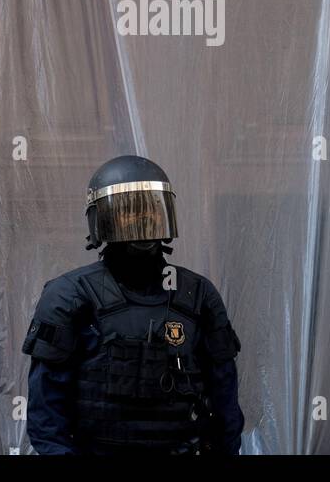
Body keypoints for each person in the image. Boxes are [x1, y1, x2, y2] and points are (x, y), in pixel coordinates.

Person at [22, 154, 244, 455]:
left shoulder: (197, 294)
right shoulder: (68, 296)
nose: (141, 222)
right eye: (128, 213)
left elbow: (225, 401)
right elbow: (45, 412)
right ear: (102, 220)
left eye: (151, 211)